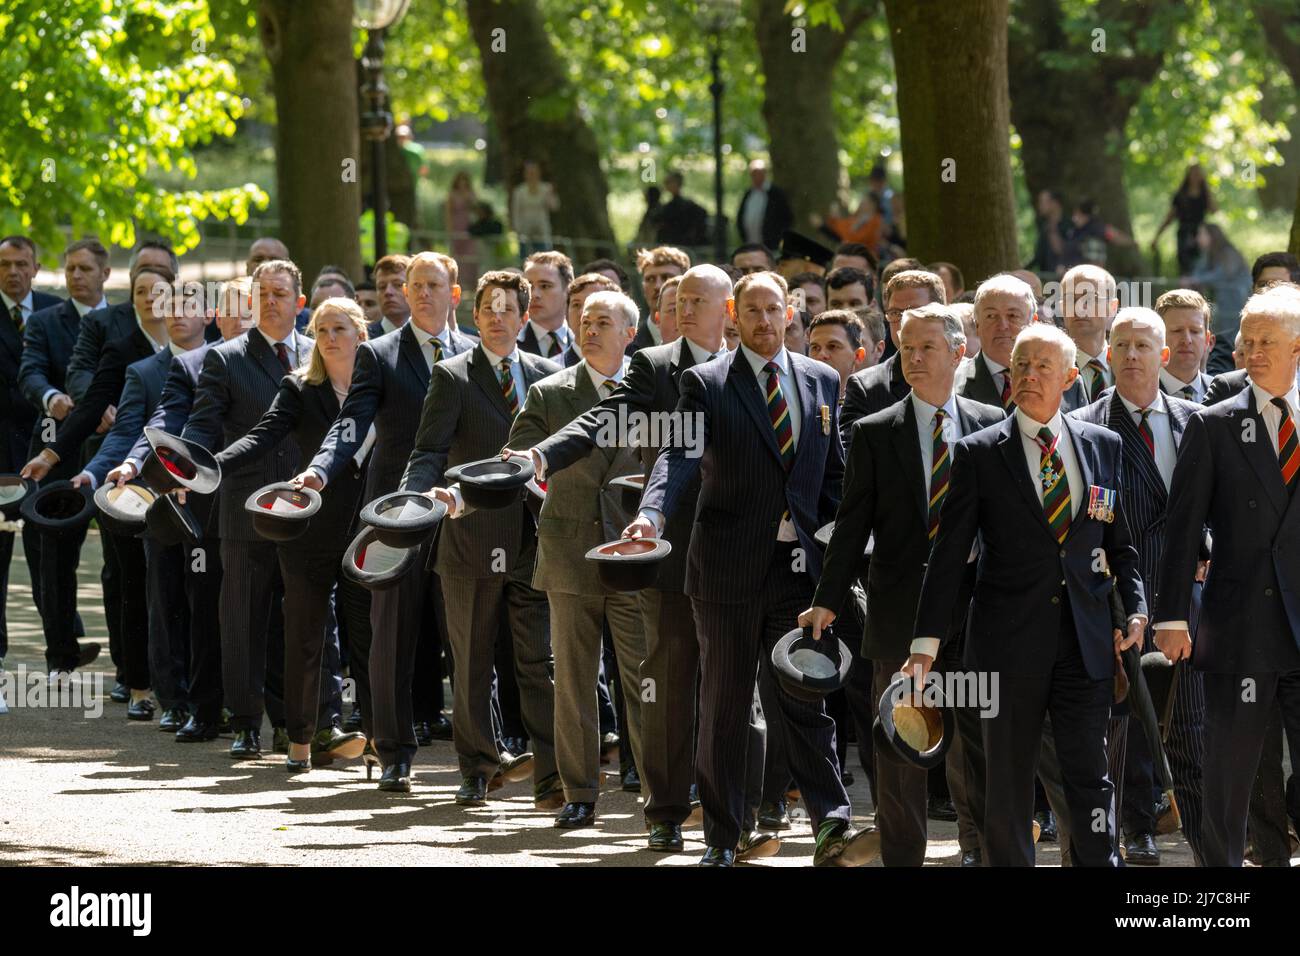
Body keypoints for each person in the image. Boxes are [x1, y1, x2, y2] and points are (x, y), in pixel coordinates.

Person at [629, 270, 881, 868]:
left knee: (805, 696)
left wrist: (859, 541)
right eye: (753, 311)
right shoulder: (705, 382)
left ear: (789, 311)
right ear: (734, 316)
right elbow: (679, 456)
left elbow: (835, 477)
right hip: (726, 571)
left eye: (775, 309)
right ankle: (722, 835)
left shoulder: (822, 380)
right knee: (725, 702)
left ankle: (832, 826)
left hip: (800, 574)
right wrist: (651, 516)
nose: (765, 322)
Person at [911, 322, 1147, 866]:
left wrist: (1134, 611)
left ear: (1070, 376)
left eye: (1042, 366)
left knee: (1090, 779)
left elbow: (1122, 546)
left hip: (1085, 646)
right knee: (1006, 786)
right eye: (1020, 365)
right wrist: (925, 643)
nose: (1028, 376)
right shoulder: (978, 453)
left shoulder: (1103, 446)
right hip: (1004, 648)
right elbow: (949, 555)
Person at [515, 264, 731, 853]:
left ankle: (736, 809)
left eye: (698, 301)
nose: (684, 310)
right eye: (677, 300)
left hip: (739, 553)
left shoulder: (755, 371)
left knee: (735, 689)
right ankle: (659, 806)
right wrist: (542, 457)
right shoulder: (653, 368)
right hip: (654, 549)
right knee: (659, 681)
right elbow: (605, 420)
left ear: (726, 309)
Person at [803, 303, 1003, 866]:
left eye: (926, 348)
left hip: (974, 613)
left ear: (958, 353)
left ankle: (979, 852)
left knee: (975, 746)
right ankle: (902, 859)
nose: (913, 358)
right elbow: (851, 525)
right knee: (899, 748)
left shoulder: (992, 425)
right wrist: (826, 599)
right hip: (899, 615)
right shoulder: (874, 431)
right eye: (906, 347)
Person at [301, 252, 478, 788]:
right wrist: (319, 470)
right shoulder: (377, 355)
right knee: (390, 636)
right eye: (412, 284)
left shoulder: (475, 354)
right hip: (392, 513)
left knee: (466, 637)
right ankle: (394, 749)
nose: (419, 292)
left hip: (461, 516)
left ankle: (477, 761)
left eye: (432, 284)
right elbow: (349, 425)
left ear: (455, 293)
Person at [1154, 284, 1300, 867]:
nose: (1254, 351)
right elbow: (1182, 527)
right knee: (1229, 776)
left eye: (1268, 341)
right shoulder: (1214, 425)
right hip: (1241, 627)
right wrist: (1170, 616)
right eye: (1248, 341)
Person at [408, 271, 561, 809]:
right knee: (471, 660)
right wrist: (413, 498)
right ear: (474, 317)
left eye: (508, 308)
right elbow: (429, 449)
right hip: (469, 533)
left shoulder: (548, 375)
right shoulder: (451, 375)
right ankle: (476, 767)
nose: (498, 316)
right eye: (488, 308)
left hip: (533, 537)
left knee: (538, 661)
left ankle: (551, 771)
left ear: (525, 316)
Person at [1068, 307, 1208, 865]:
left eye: (1142, 346)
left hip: (1185, 599)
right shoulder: (1089, 425)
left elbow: (1212, 505)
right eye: (1120, 345)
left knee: (1192, 721)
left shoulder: (1196, 420)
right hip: (1119, 598)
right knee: (1123, 726)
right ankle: (1133, 831)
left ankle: (1207, 839)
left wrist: (1207, 551)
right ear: (1107, 353)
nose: (1130, 356)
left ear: (1164, 356)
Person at [504, 290, 647, 828]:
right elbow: (518, 462)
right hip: (568, 554)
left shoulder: (653, 387)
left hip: (634, 555)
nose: (589, 329)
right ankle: (579, 791)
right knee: (574, 681)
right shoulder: (548, 391)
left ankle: (659, 791)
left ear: (629, 333)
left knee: (643, 678)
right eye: (584, 321)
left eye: (603, 322)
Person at [24, 261, 188, 716]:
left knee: (186, 586)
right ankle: (137, 683)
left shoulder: (209, 350)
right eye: (141, 292)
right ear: (131, 297)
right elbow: (96, 413)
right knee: (130, 580)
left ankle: (189, 686)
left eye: (161, 293)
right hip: (126, 480)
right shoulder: (123, 354)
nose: (153, 302)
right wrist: (54, 456)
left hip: (193, 489)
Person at [217, 299, 372, 772]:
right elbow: (262, 434)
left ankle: (381, 739)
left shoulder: (379, 387)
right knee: (305, 632)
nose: (328, 337)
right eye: (321, 328)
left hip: (371, 525)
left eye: (339, 328)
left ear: (360, 334)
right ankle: (301, 740)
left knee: (372, 634)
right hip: (311, 527)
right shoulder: (300, 388)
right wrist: (212, 465)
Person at [181, 259, 316, 759]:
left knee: (296, 619)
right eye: (263, 294)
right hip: (244, 508)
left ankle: (290, 722)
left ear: (300, 303)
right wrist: (188, 468)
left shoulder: (316, 353)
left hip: (305, 509)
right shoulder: (226, 357)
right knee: (242, 617)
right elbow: (202, 424)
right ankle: (243, 721)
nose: (271, 302)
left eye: (281, 294)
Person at [108, 277, 252, 742]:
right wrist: (136, 461)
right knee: (204, 607)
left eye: (244, 306)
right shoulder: (193, 364)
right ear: (217, 315)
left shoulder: (290, 361)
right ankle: (205, 708)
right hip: (207, 507)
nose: (237, 316)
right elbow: (167, 419)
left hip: (267, 502)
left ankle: (283, 715)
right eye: (228, 308)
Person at [7, 237, 103, 673]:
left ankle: (132, 665)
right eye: (71, 270)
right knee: (52, 550)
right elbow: (30, 374)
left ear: (104, 273)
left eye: (85, 269)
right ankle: (61, 650)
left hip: (109, 451)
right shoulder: (47, 321)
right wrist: (51, 398)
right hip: (53, 450)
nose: (76, 277)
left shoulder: (123, 322)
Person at [955, 273, 1089, 414]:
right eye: (991, 316)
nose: (1002, 325)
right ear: (977, 324)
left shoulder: (1066, 381)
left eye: (1013, 315)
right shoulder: (954, 381)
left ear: (1033, 322)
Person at [841, 268, 946, 442]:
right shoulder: (866, 388)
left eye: (916, 311)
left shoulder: (969, 377)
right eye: (896, 313)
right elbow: (853, 460)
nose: (905, 321)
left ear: (943, 314)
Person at [1184, 223, 1251, 375]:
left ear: (1212, 236)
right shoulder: (1209, 254)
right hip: (1224, 302)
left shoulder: (1228, 253)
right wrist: (1195, 278)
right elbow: (1199, 271)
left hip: (1236, 302)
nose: (1198, 238)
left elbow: (1223, 274)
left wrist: (1196, 279)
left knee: (1232, 338)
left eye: (1201, 234)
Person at [1060, 264, 1119, 402]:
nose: (1079, 308)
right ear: (1062, 308)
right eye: (1071, 299)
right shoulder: (1048, 369)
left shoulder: (1130, 363)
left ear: (1112, 307)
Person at [1152, 163, 1216, 275]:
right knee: (1185, 269)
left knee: (1201, 267)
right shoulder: (1180, 195)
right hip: (1184, 234)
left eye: (1198, 174)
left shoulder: (1205, 194)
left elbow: (1214, 210)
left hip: (1200, 235)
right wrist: (1157, 236)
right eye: (1193, 174)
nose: (1196, 177)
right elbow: (1169, 217)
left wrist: (1207, 188)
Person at [1154, 289, 1215, 401]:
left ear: (1207, 339)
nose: (1187, 340)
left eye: (1195, 331)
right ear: (1158, 337)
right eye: (1177, 330)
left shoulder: (1222, 393)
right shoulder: (1136, 393)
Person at [630, 246, 689, 353]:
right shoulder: (626, 345)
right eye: (650, 279)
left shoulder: (705, 342)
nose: (657, 286)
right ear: (643, 286)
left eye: (667, 277)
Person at [518, 250, 575, 359]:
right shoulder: (509, 344)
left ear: (568, 289)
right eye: (528, 287)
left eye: (545, 286)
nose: (534, 295)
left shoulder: (583, 344)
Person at [564, 272, 621, 367]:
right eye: (576, 305)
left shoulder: (633, 368)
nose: (583, 312)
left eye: (592, 304)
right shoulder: (549, 370)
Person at [736, 159, 793, 249]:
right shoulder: (748, 193)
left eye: (759, 173)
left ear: (765, 174)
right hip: (750, 244)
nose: (756, 176)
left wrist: (778, 238)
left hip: (771, 245)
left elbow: (787, 218)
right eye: (754, 174)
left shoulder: (776, 193)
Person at [1061, 200, 1133, 270]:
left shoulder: (1097, 228)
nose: (1074, 218)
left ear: (1085, 215)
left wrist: (1133, 242)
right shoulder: (1074, 231)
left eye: (1077, 214)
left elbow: (1115, 236)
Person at [510, 160, 559, 258]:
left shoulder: (546, 188)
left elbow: (554, 207)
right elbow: (515, 211)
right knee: (525, 257)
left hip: (542, 230)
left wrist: (551, 194)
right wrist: (517, 229)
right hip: (525, 230)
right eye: (529, 172)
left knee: (544, 256)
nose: (531, 174)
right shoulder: (519, 191)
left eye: (534, 172)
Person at [657, 173, 709, 247]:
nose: (666, 185)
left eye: (669, 182)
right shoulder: (668, 206)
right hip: (673, 242)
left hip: (683, 243)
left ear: (677, 184)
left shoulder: (687, 205)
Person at [446, 171, 479, 289]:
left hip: (469, 227)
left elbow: (477, 209)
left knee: (470, 255)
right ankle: (457, 281)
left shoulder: (471, 194)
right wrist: (450, 229)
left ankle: (470, 283)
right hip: (457, 226)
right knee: (457, 255)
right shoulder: (452, 195)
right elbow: (449, 213)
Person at [370, 254, 412, 337]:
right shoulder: (363, 339)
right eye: (382, 287)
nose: (388, 292)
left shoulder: (432, 336)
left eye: (397, 284)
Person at [1028, 190, 1067, 275]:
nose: (1040, 206)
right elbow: (1038, 256)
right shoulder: (1044, 227)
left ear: (1055, 203)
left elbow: (1062, 250)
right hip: (1046, 279)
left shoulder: (1069, 226)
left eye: (1043, 202)